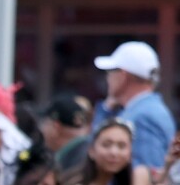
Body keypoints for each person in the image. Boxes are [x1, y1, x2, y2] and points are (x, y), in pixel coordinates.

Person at [92, 41, 175, 172]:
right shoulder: (141, 110)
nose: (108, 77)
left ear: (123, 76)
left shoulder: (144, 116)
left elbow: (148, 179)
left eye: (111, 71)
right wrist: (106, 108)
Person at [40, 92, 93, 173]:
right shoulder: (92, 151)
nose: (42, 129)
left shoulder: (69, 163)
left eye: (45, 123)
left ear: (56, 126)